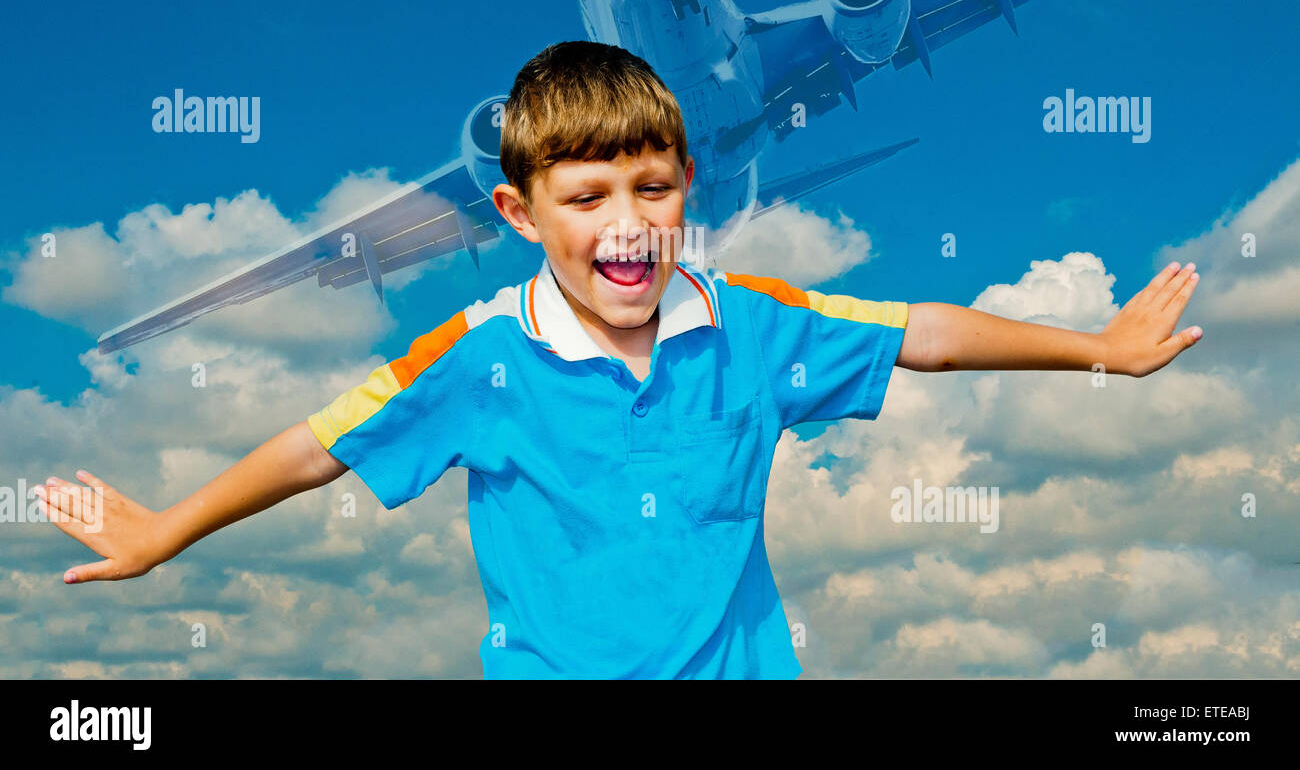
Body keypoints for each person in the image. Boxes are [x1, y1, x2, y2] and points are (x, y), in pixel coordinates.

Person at [36, 41, 1203, 678]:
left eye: (653, 187)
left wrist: (1093, 347)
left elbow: (923, 332)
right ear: (517, 210)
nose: (626, 222)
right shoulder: (484, 355)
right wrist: (164, 531)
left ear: (687, 186)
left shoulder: (749, 320)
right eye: (586, 195)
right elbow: (316, 447)